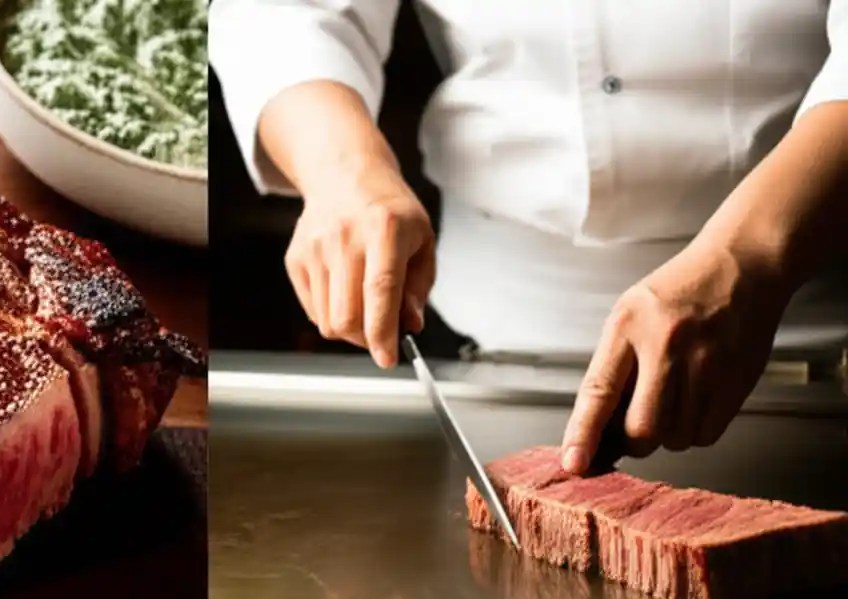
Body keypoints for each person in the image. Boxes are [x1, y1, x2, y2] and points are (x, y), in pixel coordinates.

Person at [209, 1, 848, 474]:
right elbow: (288, 12)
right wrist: (343, 172)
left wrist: (754, 254)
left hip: (814, 340)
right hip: (476, 344)